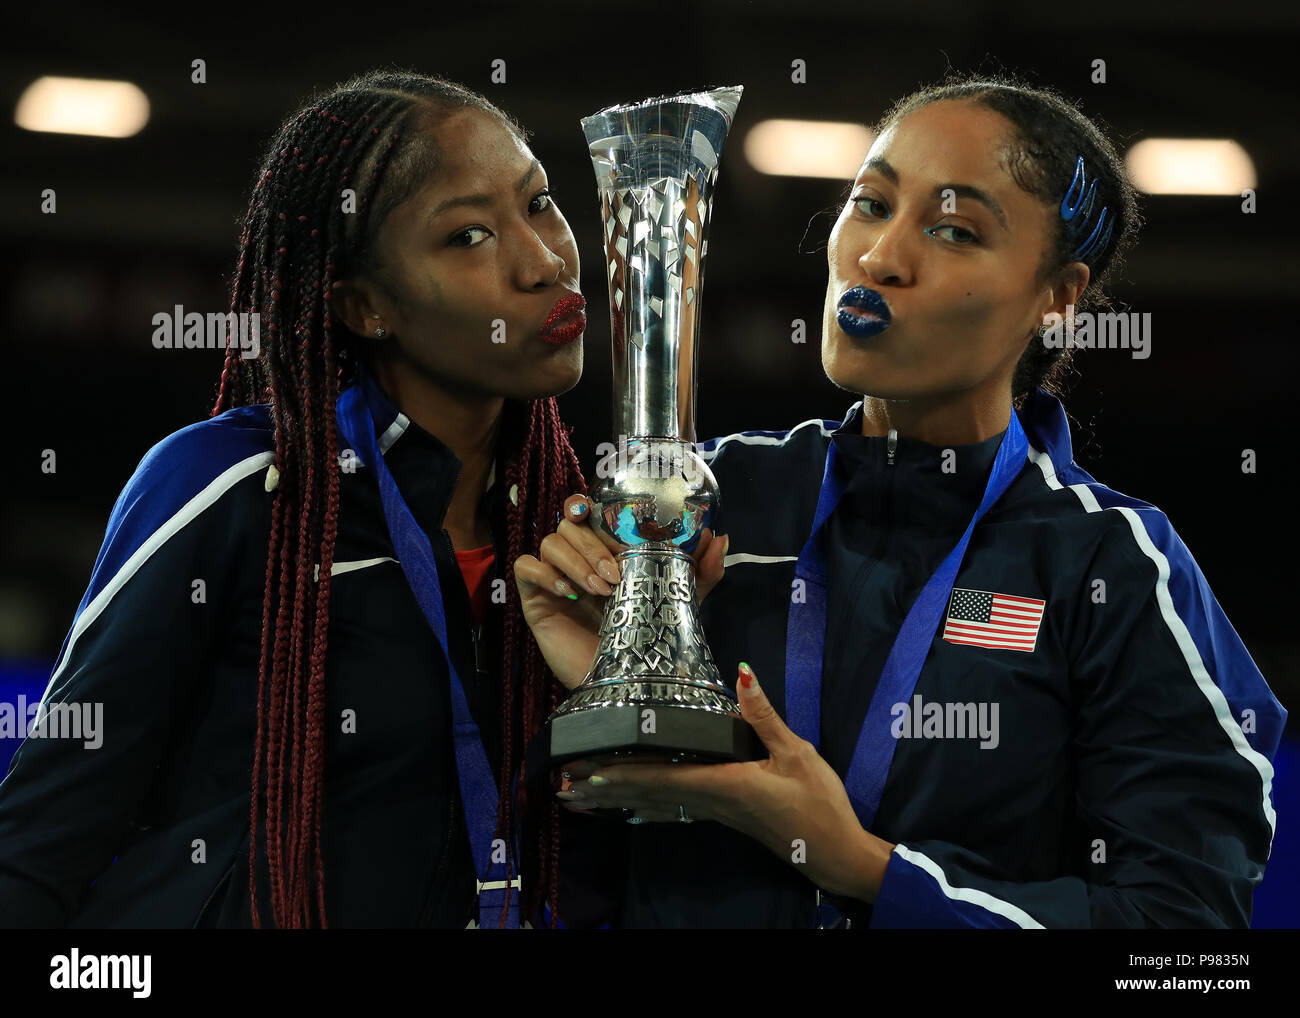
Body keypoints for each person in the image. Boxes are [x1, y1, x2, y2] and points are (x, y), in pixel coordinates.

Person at [514, 72, 1287, 928]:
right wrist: (586, 691)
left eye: (954, 229)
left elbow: (1186, 945)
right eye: (872, 204)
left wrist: (870, 870)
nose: (881, 258)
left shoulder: (1108, 565)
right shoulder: (698, 503)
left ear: (1057, 299)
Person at [0, 68, 596, 928]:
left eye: (539, 203)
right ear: (364, 306)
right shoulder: (238, 486)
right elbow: (37, 840)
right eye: (468, 236)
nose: (544, 261)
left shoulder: (575, 530)